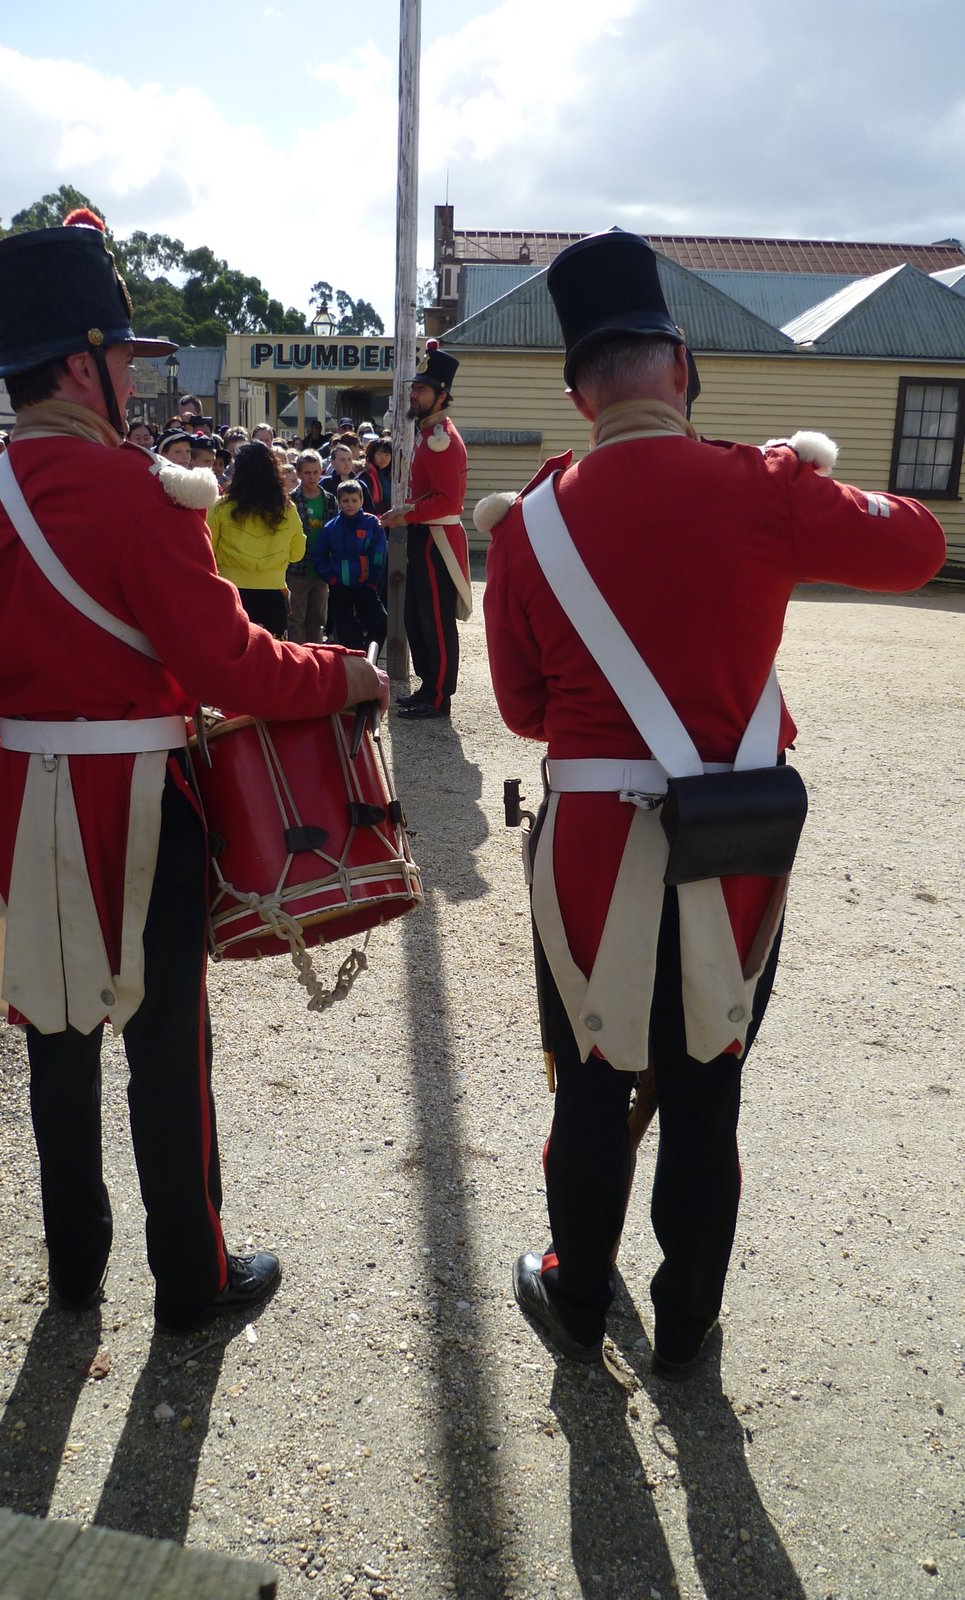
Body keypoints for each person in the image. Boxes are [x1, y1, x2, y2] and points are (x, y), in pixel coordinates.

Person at [0, 210, 386, 1335]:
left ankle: (75, 1273)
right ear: (82, 365)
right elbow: (232, 665)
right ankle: (191, 1278)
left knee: (57, 1046)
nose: (132, 376)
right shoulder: (146, 496)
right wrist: (342, 675)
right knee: (167, 1050)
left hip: (24, 803)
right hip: (146, 809)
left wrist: (5, 787)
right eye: (123, 356)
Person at [480, 230, 946, 1378]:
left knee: (592, 1074)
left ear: (577, 393)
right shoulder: (765, 488)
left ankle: (575, 1295)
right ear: (682, 367)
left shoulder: (529, 524)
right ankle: (686, 1320)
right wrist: (799, 477)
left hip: (591, 842)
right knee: (706, 1077)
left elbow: (525, 708)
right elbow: (918, 547)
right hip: (732, 840)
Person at [381, 340, 470, 721]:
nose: (414, 394)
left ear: (442, 395)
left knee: (434, 621)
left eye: (422, 389)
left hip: (437, 538)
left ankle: (439, 697)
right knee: (417, 619)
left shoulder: (441, 440)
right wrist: (406, 512)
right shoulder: (430, 433)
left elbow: (447, 502)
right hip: (426, 534)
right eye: (415, 388)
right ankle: (428, 687)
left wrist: (404, 516)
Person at [206, 439, 305, 637]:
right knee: (270, 652)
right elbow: (297, 553)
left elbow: (208, 550)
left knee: (232, 648)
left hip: (231, 591)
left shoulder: (220, 507)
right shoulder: (287, 509)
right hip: (273, 593)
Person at [314, 480, 387, 651]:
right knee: (346, 627)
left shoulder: (372, 523)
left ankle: (369, 653)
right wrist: (331, 578)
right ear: (339, 502)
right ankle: (356, 658)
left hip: (366, 583)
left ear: (362, 500)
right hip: (340, 585)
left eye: (354, 500)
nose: (350, 504)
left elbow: (379, 553)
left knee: (381, 622)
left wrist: (373, 579)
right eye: (345, 500)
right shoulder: (331, 528)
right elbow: (319, 555)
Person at [288, 450, 335, 645]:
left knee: (318, 619)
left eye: (316, 472)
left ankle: (315, 656)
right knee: (295, 618)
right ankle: (298, 655)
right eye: (307, 473)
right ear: (299, 473)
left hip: (321, 569)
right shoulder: (290, 500)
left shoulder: (329, 500)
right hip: (297, 568)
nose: (312, 477)